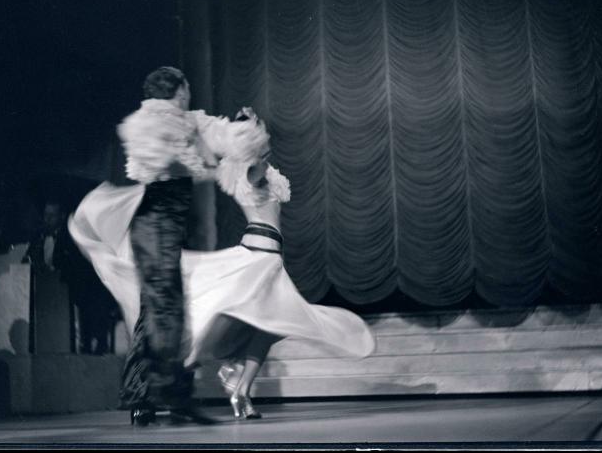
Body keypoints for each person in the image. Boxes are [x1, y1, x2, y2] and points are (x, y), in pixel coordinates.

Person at [69, 107, 376, 421]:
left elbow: (262, 161)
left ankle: (240, 389)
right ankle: (196, 375)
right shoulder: (247, 170)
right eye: (245, 134)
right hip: (257, 257)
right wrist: (253, 133)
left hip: (270, 257)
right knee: (248, 320)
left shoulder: (259, 170)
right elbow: (258, 160)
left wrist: (255, 128)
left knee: (266, 329)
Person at [110, 66, 240, 426]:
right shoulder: (151, 123)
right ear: (179, 90)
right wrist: (202, 163)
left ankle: (159, 394)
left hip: (165, 229)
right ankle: (156, 394)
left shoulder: (185, 121)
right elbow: (159, 161)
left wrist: (237, 133)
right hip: (152, 226)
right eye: (187, 88)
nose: (190, 93)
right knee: (160, 311)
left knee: (163, 311)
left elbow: (214, 140)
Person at [24, 199, 117, 355]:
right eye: (46, 215)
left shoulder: (71, 238)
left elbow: (77, 266)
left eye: (52, 216)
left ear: (61, 217)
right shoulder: (38, 237)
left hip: (69, 291)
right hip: (45, 293)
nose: (47, 219)